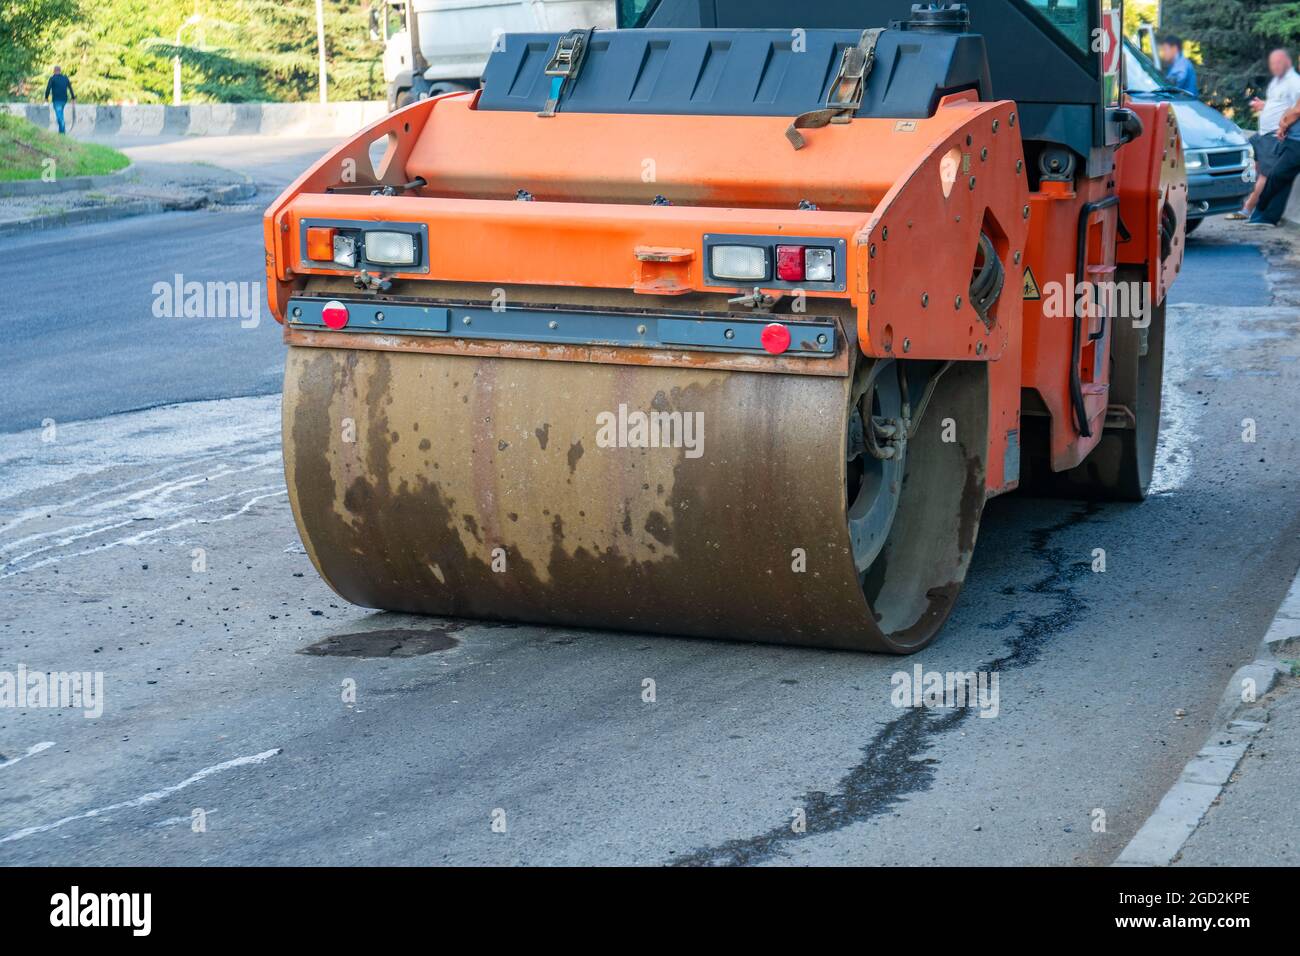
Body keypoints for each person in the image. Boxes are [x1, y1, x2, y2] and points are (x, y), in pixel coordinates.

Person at [1248, 95, 1300, 225]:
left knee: (1277, 175)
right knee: (1283, 179)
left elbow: (1297, 110)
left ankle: (1260, 208)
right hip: (1292, 138)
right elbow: (1292, 108)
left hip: (1297, 142)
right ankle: (1268, 218)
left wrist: (1284, 124)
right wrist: (1283, 120)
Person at [43, 65, 75, 135]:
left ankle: (63, 132)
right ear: (60, 71)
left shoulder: (52, 78)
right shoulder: (65, 78)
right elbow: (70, 88)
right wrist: (73, 98)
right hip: (64, 100)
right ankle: (61, 133)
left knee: (60, 117)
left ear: (54, 71)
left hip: (56, 100)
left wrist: (46, 98)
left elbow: (48, 88)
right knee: (60, 115)